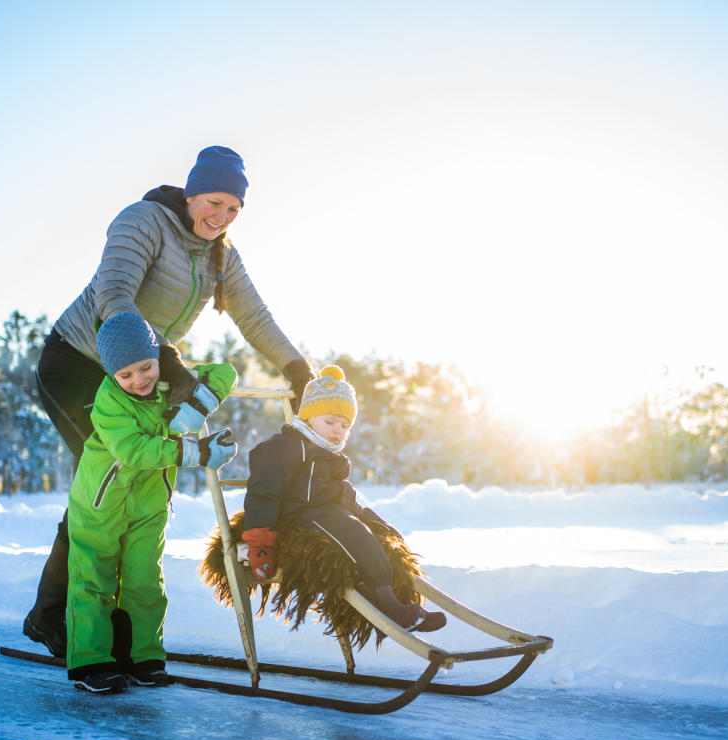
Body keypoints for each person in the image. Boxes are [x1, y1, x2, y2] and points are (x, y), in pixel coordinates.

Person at [25, 146, 314, 657]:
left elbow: (255, 319)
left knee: (130, 494)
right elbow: (113, 294)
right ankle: (56, 619)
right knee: (105, 487)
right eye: (214, 202)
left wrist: (296, 368)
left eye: (233, 209)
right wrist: (164, 352)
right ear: (191, 193)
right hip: (78, 363)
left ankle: (103, 620)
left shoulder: (222, 255)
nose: (220, 217)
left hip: (143, 377)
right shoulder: (143, 221)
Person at [67, 311, 238, 694]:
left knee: (145, 580)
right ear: (112, 375)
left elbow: (226, 372)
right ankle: (91, 661)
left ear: (157, 357)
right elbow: (135, 451)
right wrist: (194, 451)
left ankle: (143, 657)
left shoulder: (166, 380)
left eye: (145, 368)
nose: (138, 380)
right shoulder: (109, 400)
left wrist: (192, 400)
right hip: (100, 502)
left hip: (150, 503)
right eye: (125, 375)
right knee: (94, 578)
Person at [239, 365, 446, 633]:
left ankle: (394, 602)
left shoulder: (330, 456)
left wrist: (367, 517)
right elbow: (263, 492)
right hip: (296, 517)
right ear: (309, 419)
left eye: (344, 425)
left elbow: (341, 496)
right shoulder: (287, 446)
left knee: (373, 531)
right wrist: (260, 542)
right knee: (353, 532)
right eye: (330, 422)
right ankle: (392, 607)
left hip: (324, 515)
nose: (338, 430)